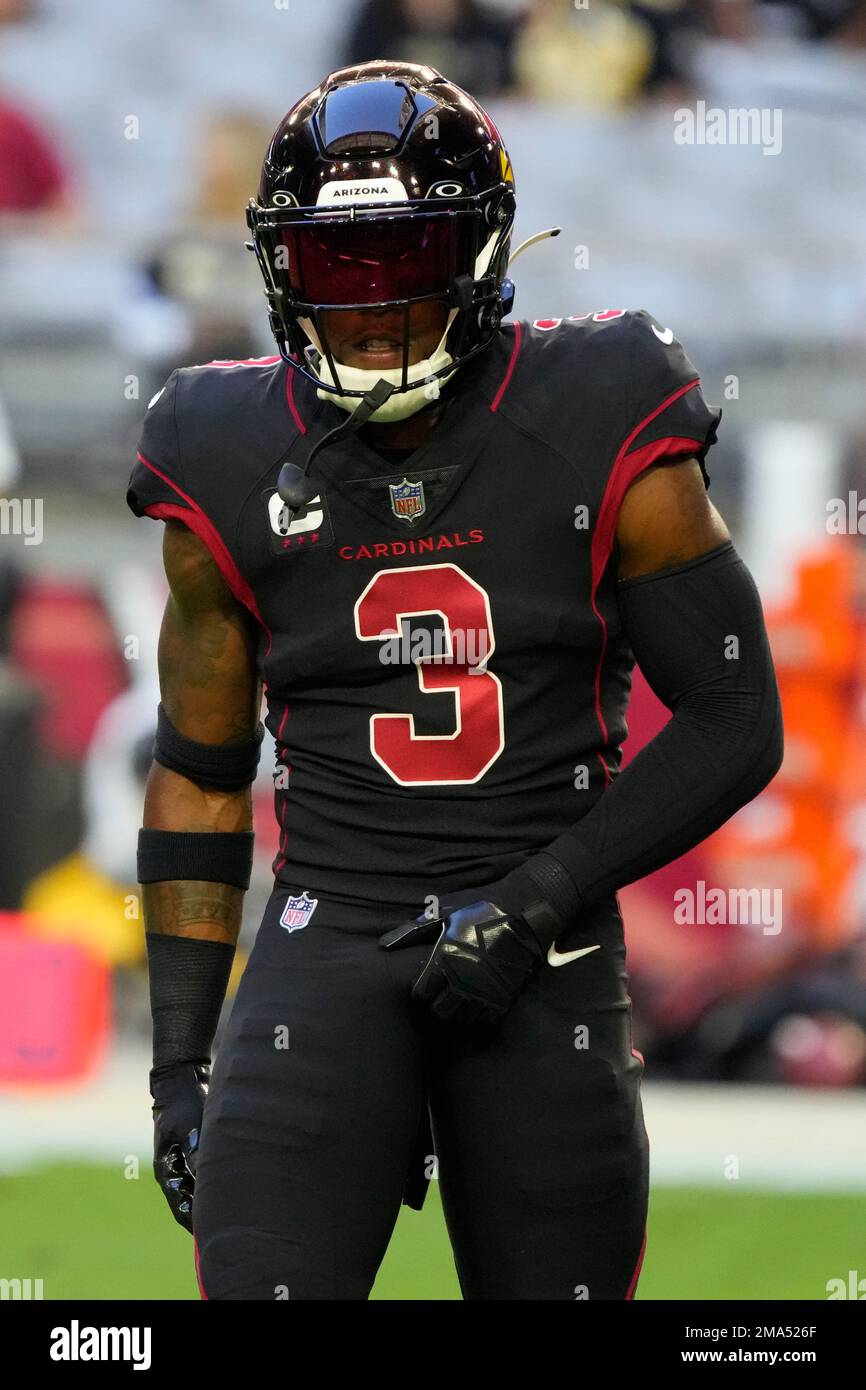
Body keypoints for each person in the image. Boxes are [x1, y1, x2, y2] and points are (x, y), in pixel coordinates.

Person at [127, 60, 783, 1300]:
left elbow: (736, 713)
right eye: (334, 264)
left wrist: (534, 899)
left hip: (542, 953)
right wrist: (176, 1070)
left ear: (477, 251)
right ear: (279, 269)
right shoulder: (214, 448)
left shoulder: (602, 405)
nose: (371, 306)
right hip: (327, 939)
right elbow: (201, 776)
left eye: (404, 254)